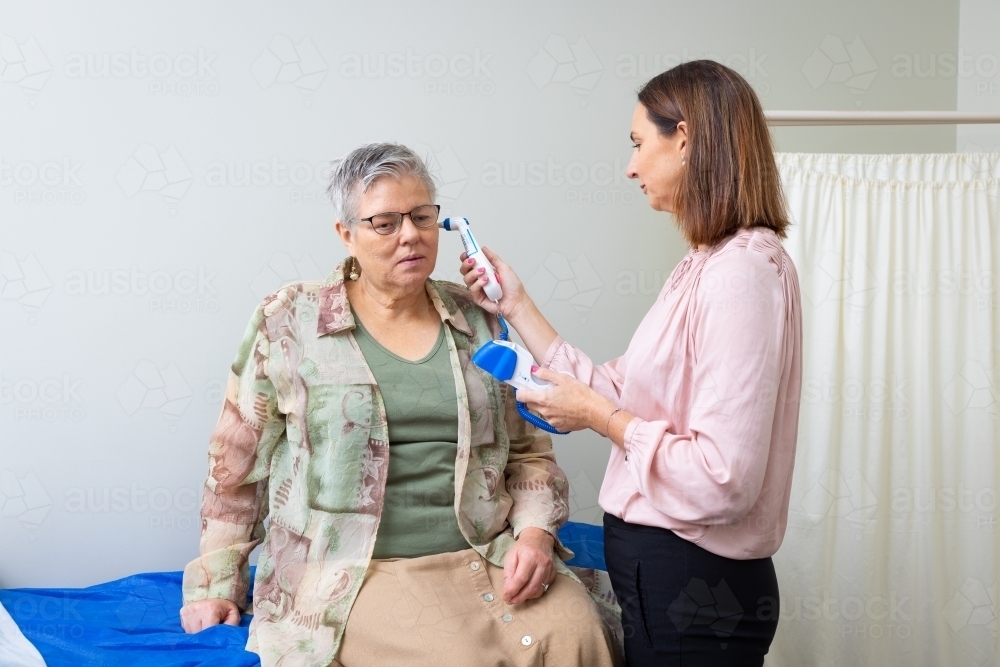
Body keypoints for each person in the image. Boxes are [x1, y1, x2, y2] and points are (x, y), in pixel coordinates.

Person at [178, 143, 621, 667]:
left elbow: (528, 451)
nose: (410, 234)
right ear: (347, 234)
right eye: (384, 223)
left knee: (577, 632)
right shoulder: (289, 321)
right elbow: (236, 463)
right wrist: (216, 580)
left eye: (422, 217)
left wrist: (534, 534)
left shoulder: (475, 318)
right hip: (359, 570)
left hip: (488, 550)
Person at [460, 61, 802, 667]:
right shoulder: (703, 266)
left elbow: (722, 478)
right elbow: (625, 390)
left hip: (696, 588)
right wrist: (518, 305)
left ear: (687, 139)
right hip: (671, 582)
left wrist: (597, 416)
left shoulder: (739, 276)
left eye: (640, 144)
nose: (631, 166)